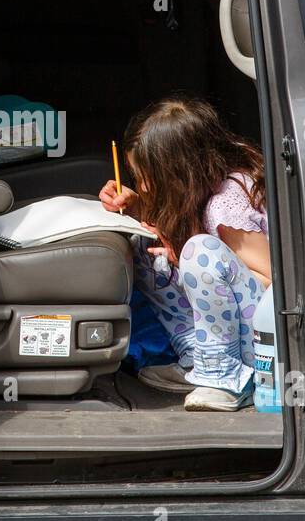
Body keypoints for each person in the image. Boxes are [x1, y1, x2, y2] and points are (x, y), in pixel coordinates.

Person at [99, 95, 270, 412]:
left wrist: (192, 263)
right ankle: (198, 357)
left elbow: (272, 283)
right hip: (233, 319)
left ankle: (227, 376)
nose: (146, 186)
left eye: (148, 177)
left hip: (262, 338)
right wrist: (136, 207)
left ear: (181, 171)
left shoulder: (224, 206)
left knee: (198, 251)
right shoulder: (202, 189)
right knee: (146, 244)